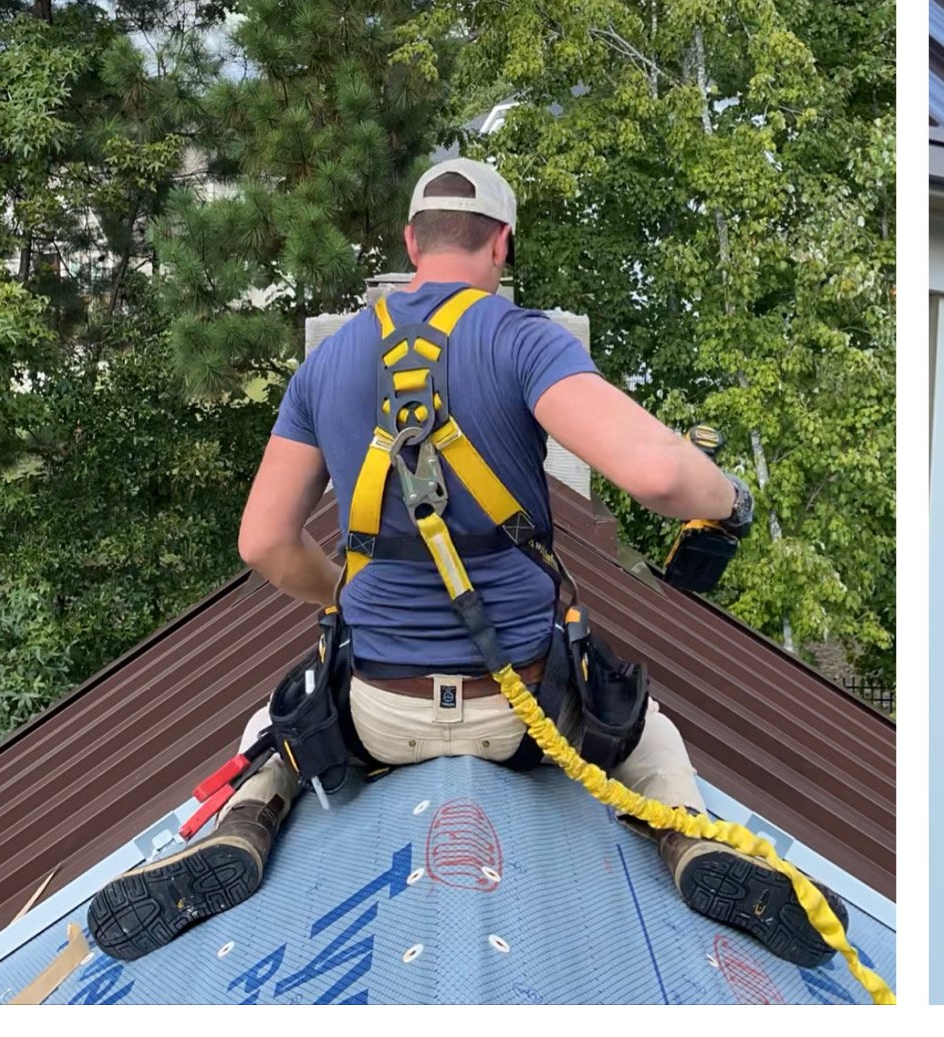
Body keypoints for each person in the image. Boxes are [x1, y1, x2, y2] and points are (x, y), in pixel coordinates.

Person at [87, 159, 846, 968]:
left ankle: (246, 819)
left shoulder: (328, 363)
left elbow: (265, 544)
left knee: (274, 722)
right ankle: (688, 837)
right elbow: (660, 474)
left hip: (382, 713)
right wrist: (728, 498)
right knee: (644, 726)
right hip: (524, 710)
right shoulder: (521, 339)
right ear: (502, 244)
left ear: (412, 242)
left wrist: (346, 595)